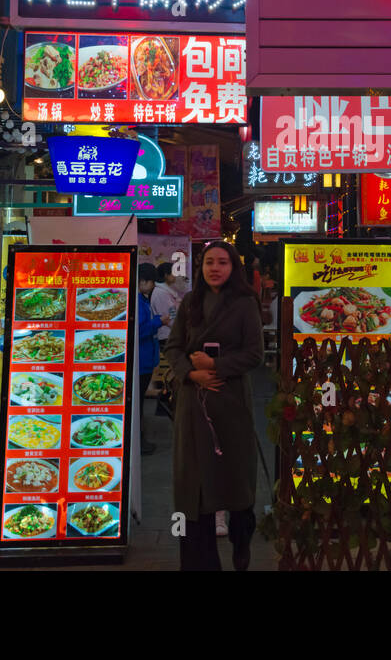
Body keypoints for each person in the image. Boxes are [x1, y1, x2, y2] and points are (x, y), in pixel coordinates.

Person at [162, 240, 263, 570]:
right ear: (200, 267)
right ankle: (200, 562)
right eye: (209, 263)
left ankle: (241, 536)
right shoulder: (191, 302)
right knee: (193, 487)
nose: (215, 268)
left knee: (237, 482)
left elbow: (254, 354)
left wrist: (216, 366)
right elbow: (174, 348)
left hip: (230, 402)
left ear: (233, 267)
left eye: (222, 262)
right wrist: (192, 374)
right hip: (192, 404)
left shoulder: (246, 304)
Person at [136, 264, 163, 455]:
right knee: (138, 405)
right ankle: (139, 441)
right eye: (151, 282)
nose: (153, 286)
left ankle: (140, 439)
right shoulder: (137, 302)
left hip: (146, 359)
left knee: (139, 403)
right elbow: (140, 330)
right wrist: (159, 321)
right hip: (141, 360)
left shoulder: (142, 300)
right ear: (143, 282)